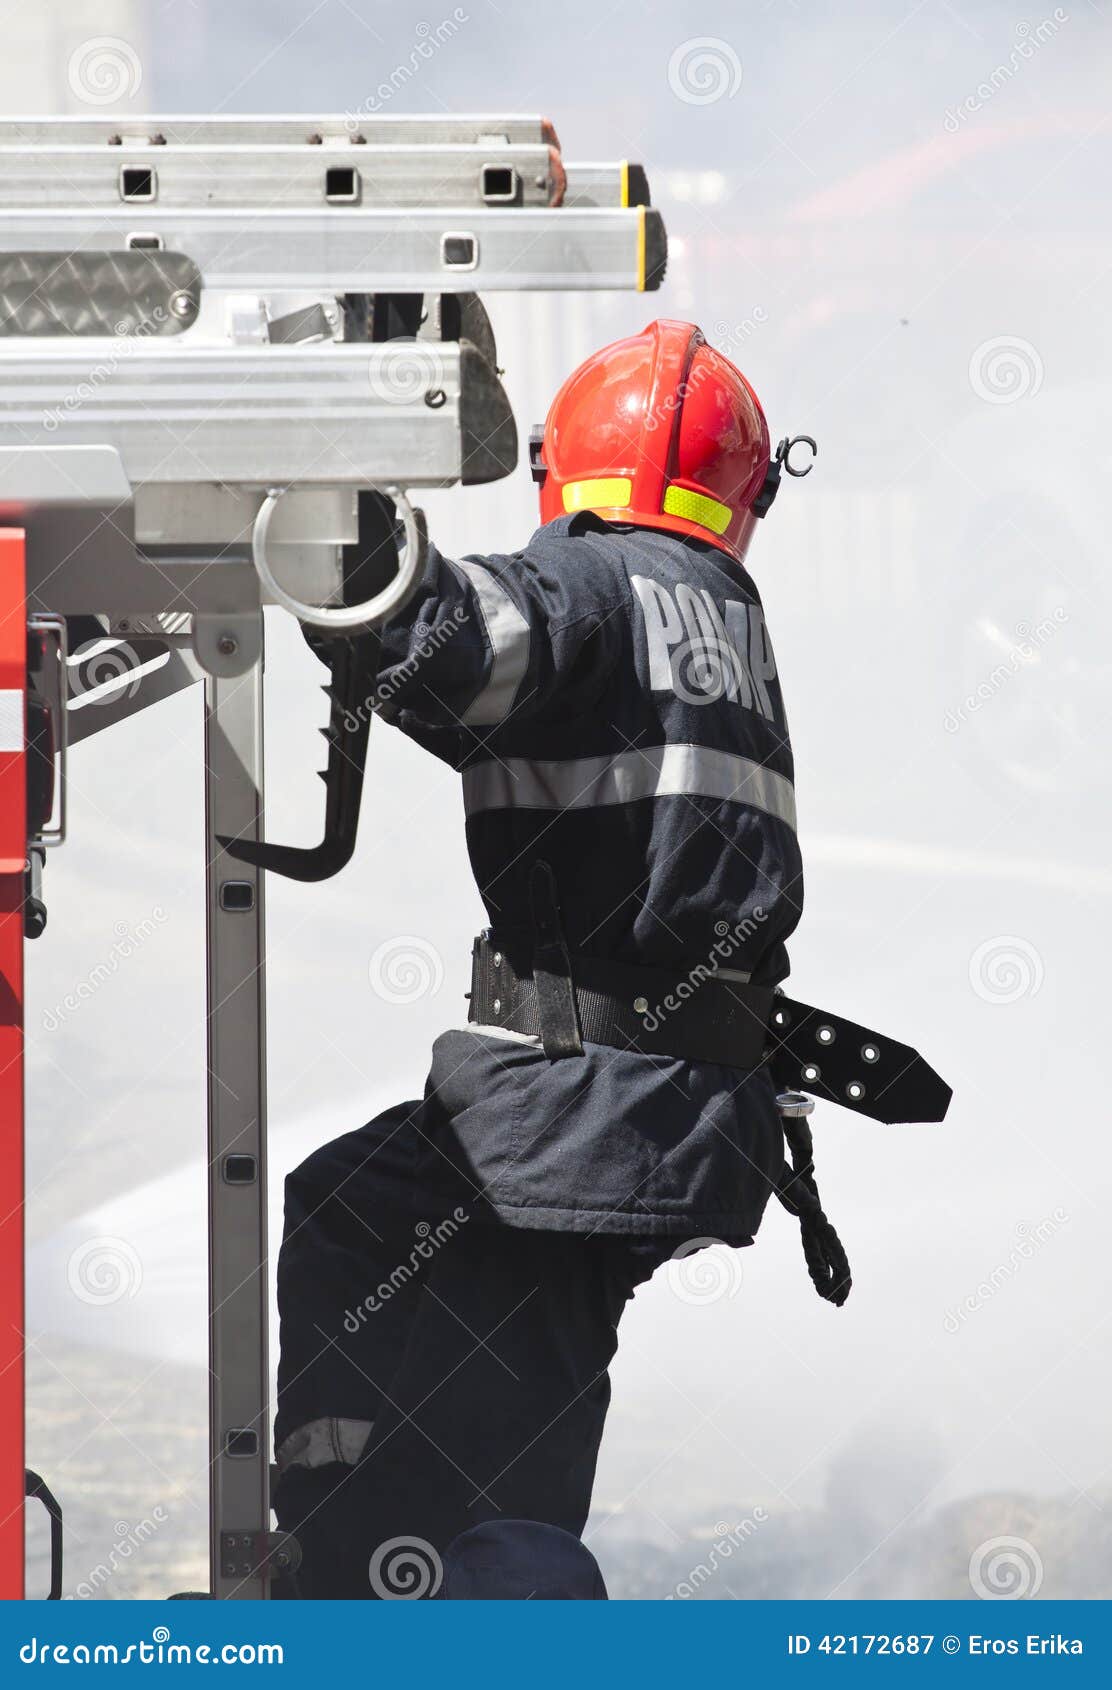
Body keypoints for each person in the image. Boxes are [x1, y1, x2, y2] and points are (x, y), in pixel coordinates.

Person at [273, 318, 821, 1600]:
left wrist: (332, 511)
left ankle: (377, 1588)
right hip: (657, 1112)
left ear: (558, 466)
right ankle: (358, 1560)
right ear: (745, 494)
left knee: (491, 1474)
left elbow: (450, 636)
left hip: (579, 1119)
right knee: (355, 1208)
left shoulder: (592, 582)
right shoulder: (715, 610)